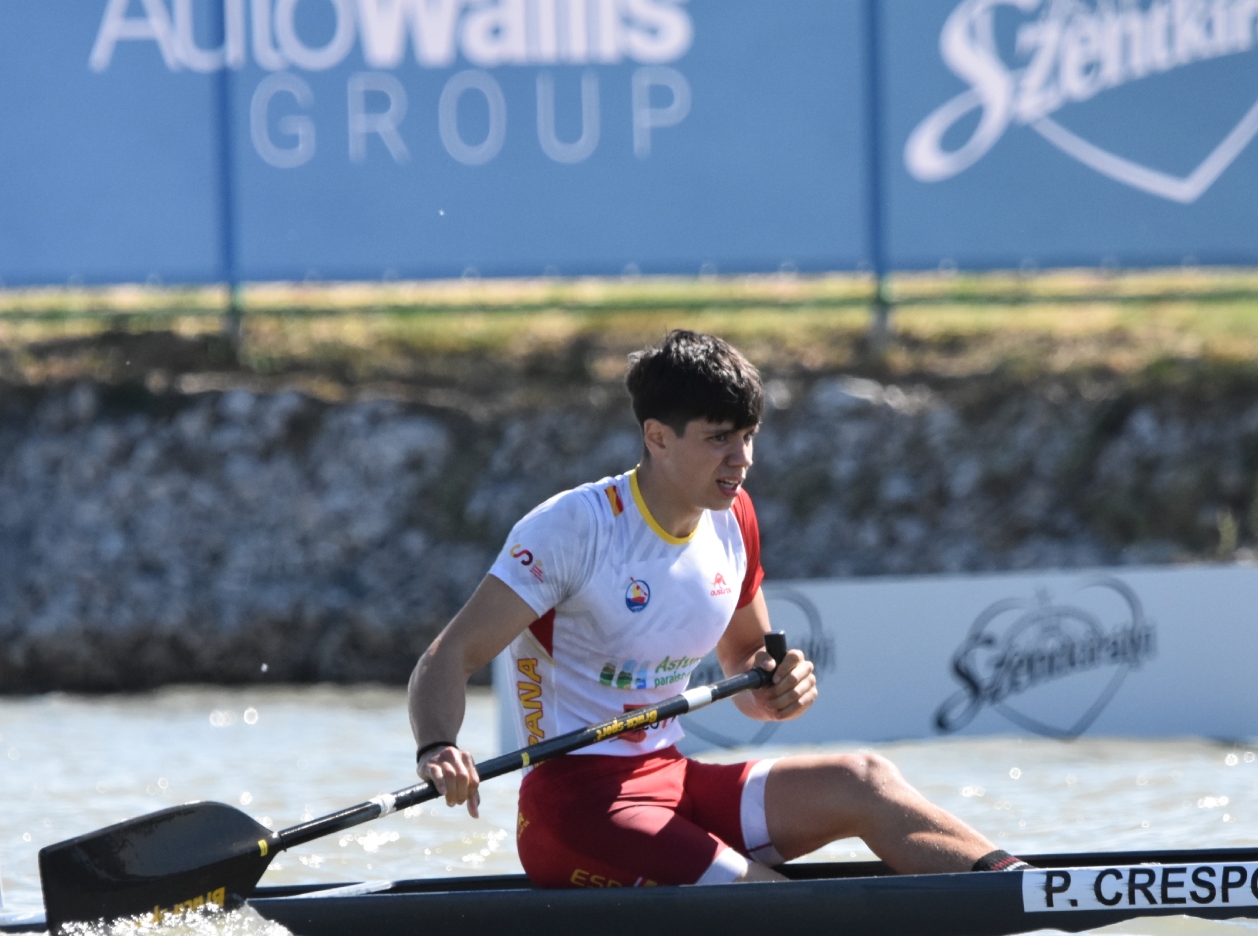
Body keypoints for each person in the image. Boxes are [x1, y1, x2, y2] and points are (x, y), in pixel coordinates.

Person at [407, 330, 1026, 888]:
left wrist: (778, 686)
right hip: (581, 813)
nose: (743, 458)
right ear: (657, 438)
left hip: (674, 780)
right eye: (719, 439)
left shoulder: (734, 518)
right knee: (771, 901)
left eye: (749, 436)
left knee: (862, 778)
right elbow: (448, 657)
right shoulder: (573, 529)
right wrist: (438, 746)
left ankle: (1019, 887)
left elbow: (748, 668)